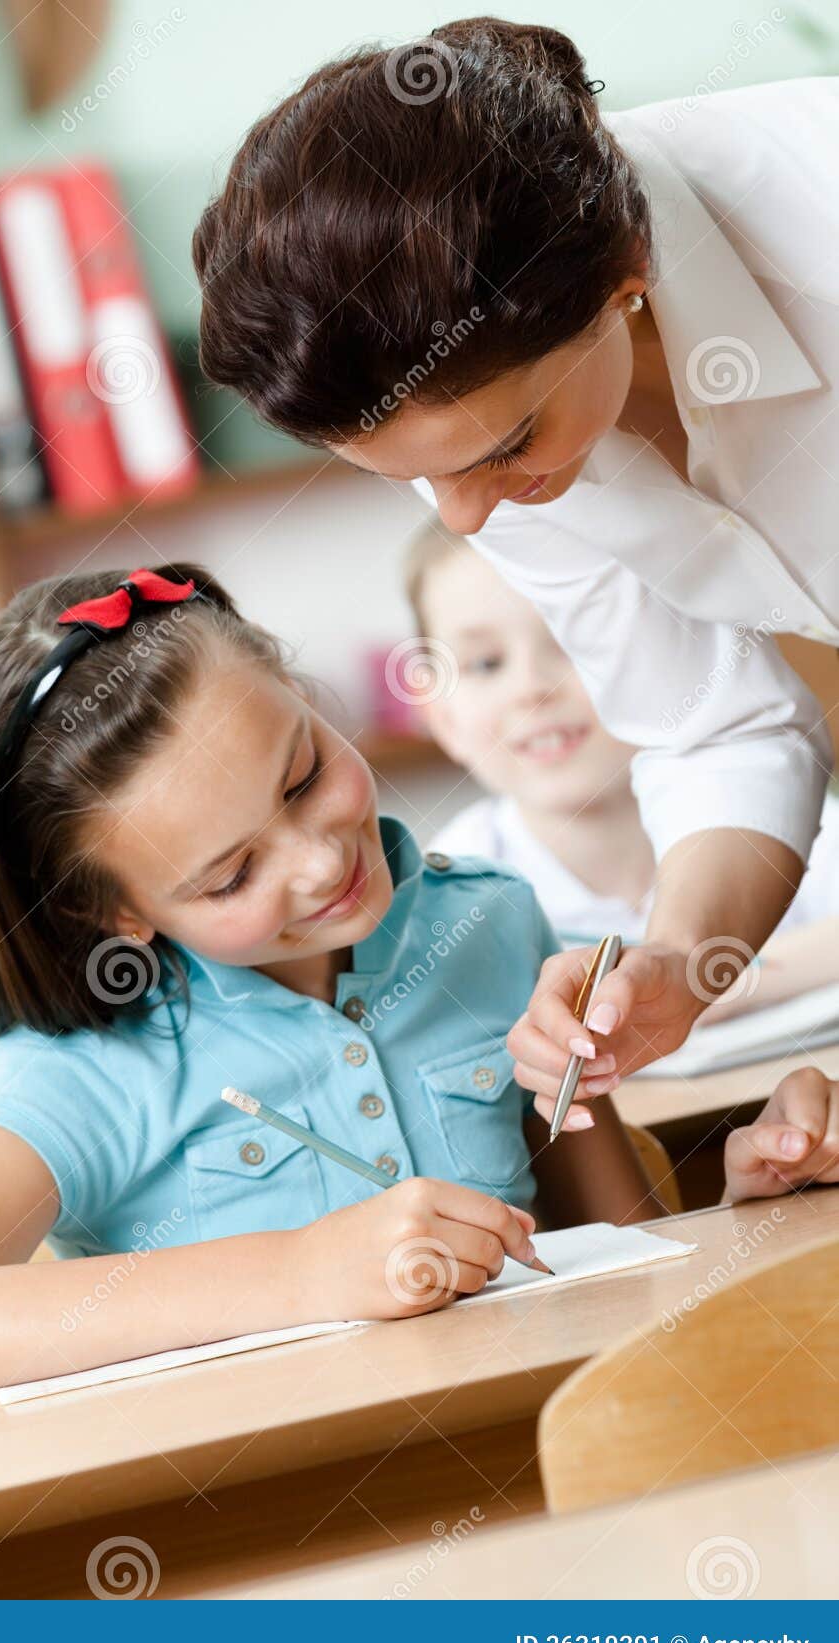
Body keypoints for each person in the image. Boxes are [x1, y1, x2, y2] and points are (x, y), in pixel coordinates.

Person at [0, 568, 839, 1419]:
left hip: (554, 1475)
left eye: (302, 775)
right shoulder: (89, 1067)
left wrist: (752, 1209)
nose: (314, 862)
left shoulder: (487, 927)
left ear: (300, 693)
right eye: (228, 876)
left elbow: (629, 1273)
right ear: (110, 915)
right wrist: (299, 1274)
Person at [191, 17, 839, 1122]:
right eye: (415, 479)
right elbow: (716, 723)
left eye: (500, 450)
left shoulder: (813, 214)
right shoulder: (458, 395)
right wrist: (674, 964)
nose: (465, 513)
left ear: (624, 278)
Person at [406, 520, 839, 1021]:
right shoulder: (452, 888)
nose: (531, 689)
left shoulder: (783, 821)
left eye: (571, 644)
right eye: (485, 664)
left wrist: (693, 986)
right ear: (440, 716)